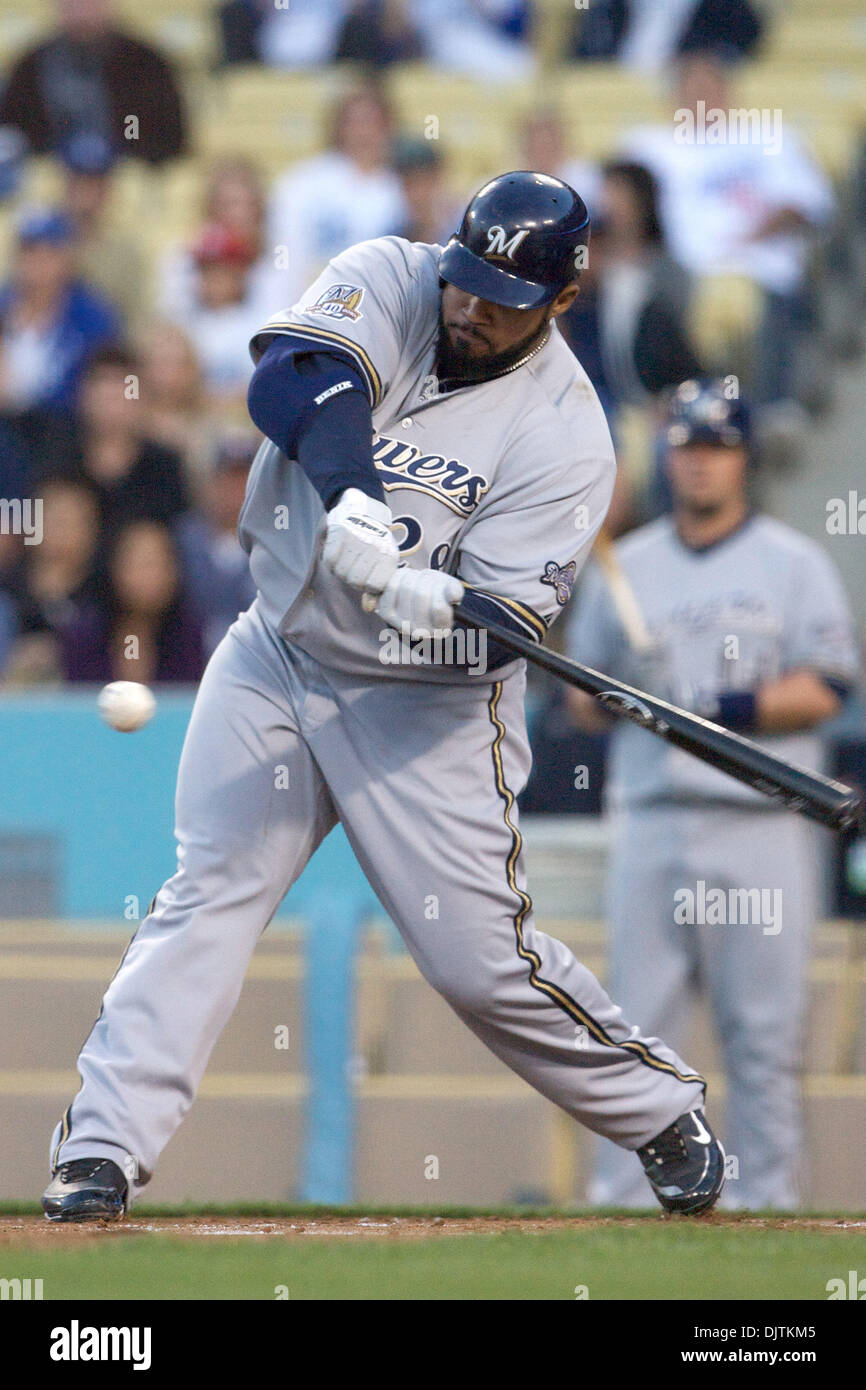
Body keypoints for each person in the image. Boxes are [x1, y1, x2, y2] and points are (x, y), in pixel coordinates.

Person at [42, 172, 724, 1224]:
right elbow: (293, 375)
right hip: (277, 650)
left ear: (560, 300)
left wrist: (432, 606)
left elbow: (507, 638)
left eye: (504, 295)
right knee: (205, 897)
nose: (471, 305)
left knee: (478, 965)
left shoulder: (566, 434)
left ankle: (656, 1109)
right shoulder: (393, 276)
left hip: (425, 710)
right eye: (468, 278)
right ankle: (100, 1150)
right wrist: (352, 495)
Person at [566, 378, 859, 1210]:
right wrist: (622, 689)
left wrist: (711, 706)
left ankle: (767, 1203)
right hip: (654, 818)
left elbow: (828, 687)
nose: (700, 464)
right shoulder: (630, 562)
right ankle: (625, 1200)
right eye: (687, 447)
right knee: (633, 1035)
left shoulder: (792, 563)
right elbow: (579, 701)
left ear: (743, 460)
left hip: (759, 821)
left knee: (762, 1038)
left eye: (717, 448)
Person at [620, 51, 835, 418]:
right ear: (676, 96)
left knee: (763, 289)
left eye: (711, 87)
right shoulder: (647, 146)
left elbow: (809, 203)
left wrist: (756, 233)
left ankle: (771, 409)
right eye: (692, 88)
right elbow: (617, 204)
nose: (702, 97)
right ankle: (676, 411)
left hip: (754, 261)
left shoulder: (769, 138)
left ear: (728, 92)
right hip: (673, 267)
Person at [267, 85, 406, 308]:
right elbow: (288, 252)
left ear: (390, 127)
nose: (364, 132)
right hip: (312, 298)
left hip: (383, 305)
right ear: (338, 127)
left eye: (373, 122)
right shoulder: (303, 182)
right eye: (355, 122)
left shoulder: (404, 186)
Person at [0, 0, 187, 165]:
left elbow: (166, 135)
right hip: (55, 176)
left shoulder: (146, 63)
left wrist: (132, 151)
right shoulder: (31, 65)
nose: (82, 9)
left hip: (127, 174)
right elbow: (14, 133)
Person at [0, 208, 122, 419]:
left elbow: (128, 379)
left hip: (68, 432)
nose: (38, 262)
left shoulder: (95, 319)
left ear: (68, 259)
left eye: (49, 252)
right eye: (30, 251)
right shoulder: (4, 304)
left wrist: (128, 405)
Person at [60, 345, 189, 534]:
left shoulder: (164, 468)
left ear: (142, 399)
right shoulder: (62, 463)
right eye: (103, 395)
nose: (112, 406)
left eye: (121, 395)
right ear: (84, 398)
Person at [58, 519, 205, 684]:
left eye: (161, 563)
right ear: (114, 566)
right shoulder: (84, 635)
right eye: (142, 564)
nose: (152, 575)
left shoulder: (188, 636)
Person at [173, 432, 258, 657]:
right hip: (184, 666)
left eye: (243, 480)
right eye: (227, 479)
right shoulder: (182, 539)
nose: (235, 491)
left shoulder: (276, 544)